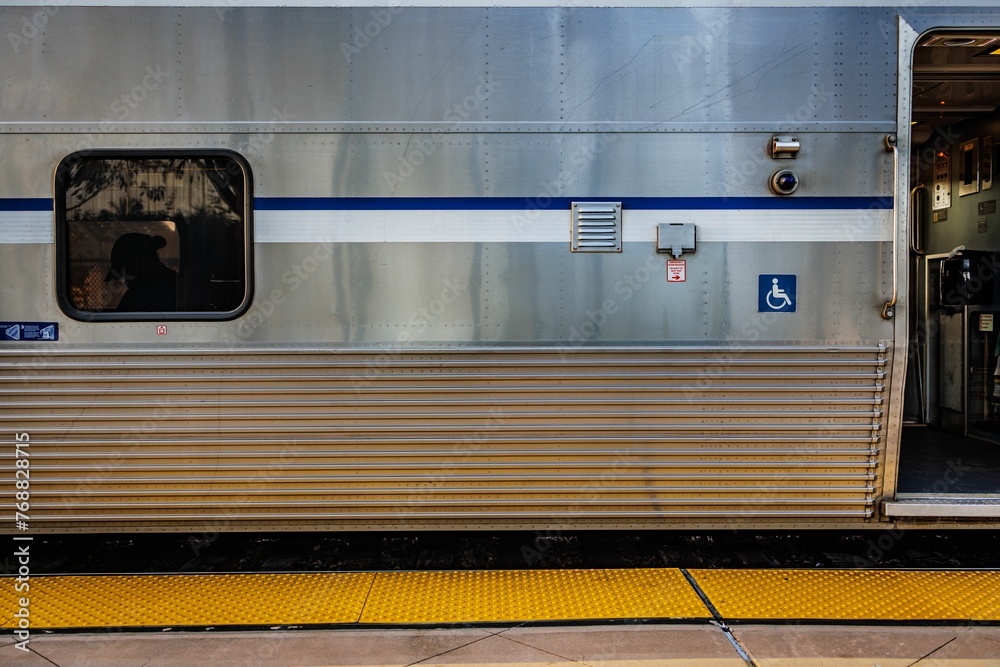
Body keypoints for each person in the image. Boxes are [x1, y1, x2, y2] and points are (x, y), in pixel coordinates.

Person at [104, 233, 178, 311]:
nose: (124, 281)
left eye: (123, 274)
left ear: (136, 264)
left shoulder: (138, 295)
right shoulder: (176, 282)